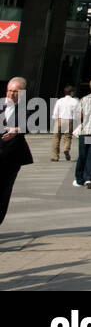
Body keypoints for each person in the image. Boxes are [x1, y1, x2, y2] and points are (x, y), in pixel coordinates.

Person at [0, 77, 33, 227]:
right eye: (10, 91)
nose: (12, 94)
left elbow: (32, 125)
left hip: (12, 157)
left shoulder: (28, 107)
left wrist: (17, 130)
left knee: (3, 192)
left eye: (16, 92)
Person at [51, 86, 78, 162]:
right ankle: (66, 148)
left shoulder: (59, 101)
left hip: (59, 119)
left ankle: (55, 156)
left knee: (56, 138)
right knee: (67, 137)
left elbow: (56, 111)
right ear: (72, 93)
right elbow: (76, 113)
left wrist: (55, 118)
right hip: (69, 120)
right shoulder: (75, 101)